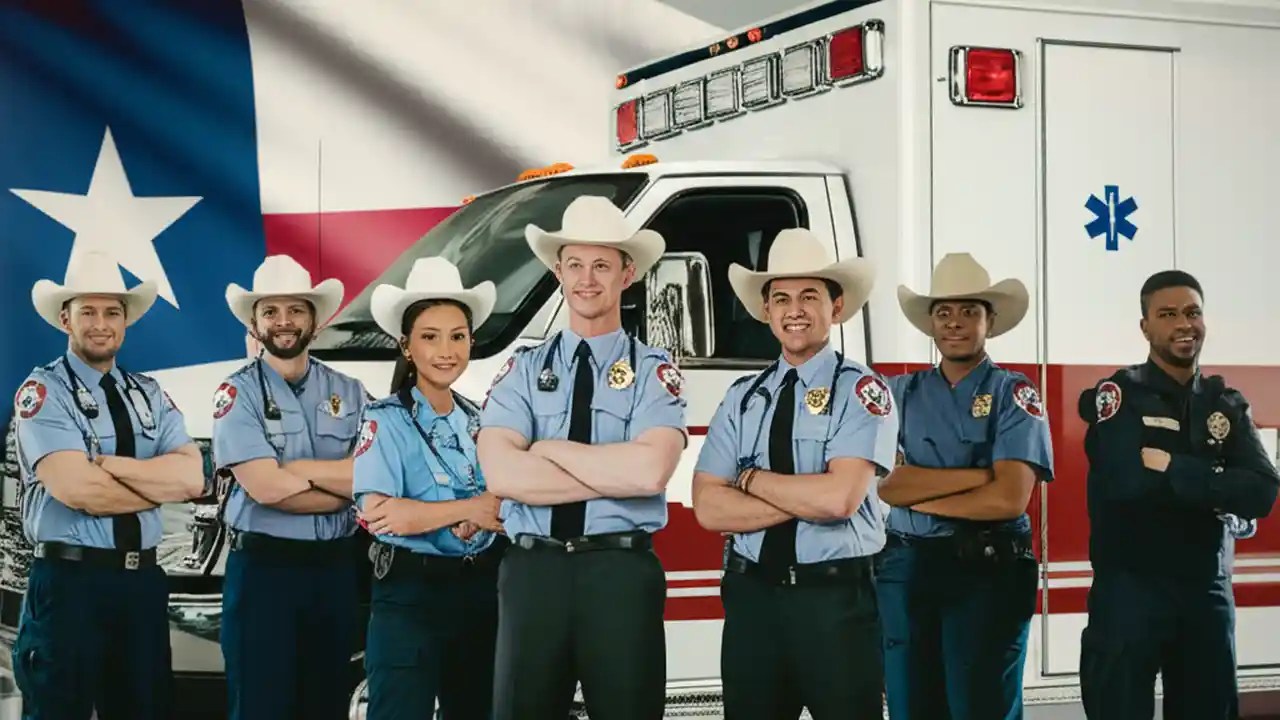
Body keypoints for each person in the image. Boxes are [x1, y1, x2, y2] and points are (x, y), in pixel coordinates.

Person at [477, 195, 687, 720]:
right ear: (558, 271)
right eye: (574, 265)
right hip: (534, 572)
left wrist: (548, 450)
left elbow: (649, 471)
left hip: (618, 572)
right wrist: (611, 474)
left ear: (627, 273)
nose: (586, 279)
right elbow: (502, 473)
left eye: (601, 265)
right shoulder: (522, 369)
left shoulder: (654, 372)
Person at [690, 228, 896, 719]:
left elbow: (838, 500)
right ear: (766, 311)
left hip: (835, 603)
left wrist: (751, 480)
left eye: (809, 296)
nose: (794, 309)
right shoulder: (743, 397)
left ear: (837, 307)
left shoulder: (862, 391)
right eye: (780, 298)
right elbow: (707, 506)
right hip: (753, 601)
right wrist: (803, 494)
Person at [11, 250, 205, 719]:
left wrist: (109, 464)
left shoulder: (149, 394)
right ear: (65, 319)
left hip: (141, 584)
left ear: (125, 321)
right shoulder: (44, 392)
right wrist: (156, 487)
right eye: (88, 311)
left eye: (112, 312)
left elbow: (191, 478)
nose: (101, 323)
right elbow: (80, 491)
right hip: (69, 585)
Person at [1077, 270, 1278, 719]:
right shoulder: (1120, 395)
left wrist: (1172, 466)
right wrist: (1219, 481)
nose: (1183, 324)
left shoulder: (1226, 402)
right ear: (1146, 326)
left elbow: (1263, 491)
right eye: (1167, 314)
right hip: (1130, 590)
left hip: (1206, 593)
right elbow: (1126, 481)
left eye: (1192, 312)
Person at [873, 253, 1052, 720]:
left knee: (981, 706)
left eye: (969, 311)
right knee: (911, 703)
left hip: (987, 568)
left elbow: (1009, 498)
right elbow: (889, 488)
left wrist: (922, 488)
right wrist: (981, 476)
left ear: (989, 321)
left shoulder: (1016, 393)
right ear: (930, 323)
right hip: (907, 568)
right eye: (944, 312)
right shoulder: (899, 394)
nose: (955, 323)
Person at [210, 254, 371, 720]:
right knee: (262, 706)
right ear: (255, 324)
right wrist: (338, 481)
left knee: (325, 704)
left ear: (315, 322)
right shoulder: (236, 393)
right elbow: (263, 488)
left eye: (296, 310)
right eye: (271, 312)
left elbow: (375, 475)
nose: (284, 322)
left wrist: (296, 471)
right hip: (265, 572)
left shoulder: (352, 391)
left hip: (335, 572)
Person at [352, 257, 508, 719]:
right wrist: (468, 510)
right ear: (406, 347)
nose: (446, 350)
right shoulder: (384, 419)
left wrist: (478, 515)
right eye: (430, 336)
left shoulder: (482, 420)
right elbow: (380, 514)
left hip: (480, 590)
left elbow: (499, 501)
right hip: (410, 594)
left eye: (457, 337)